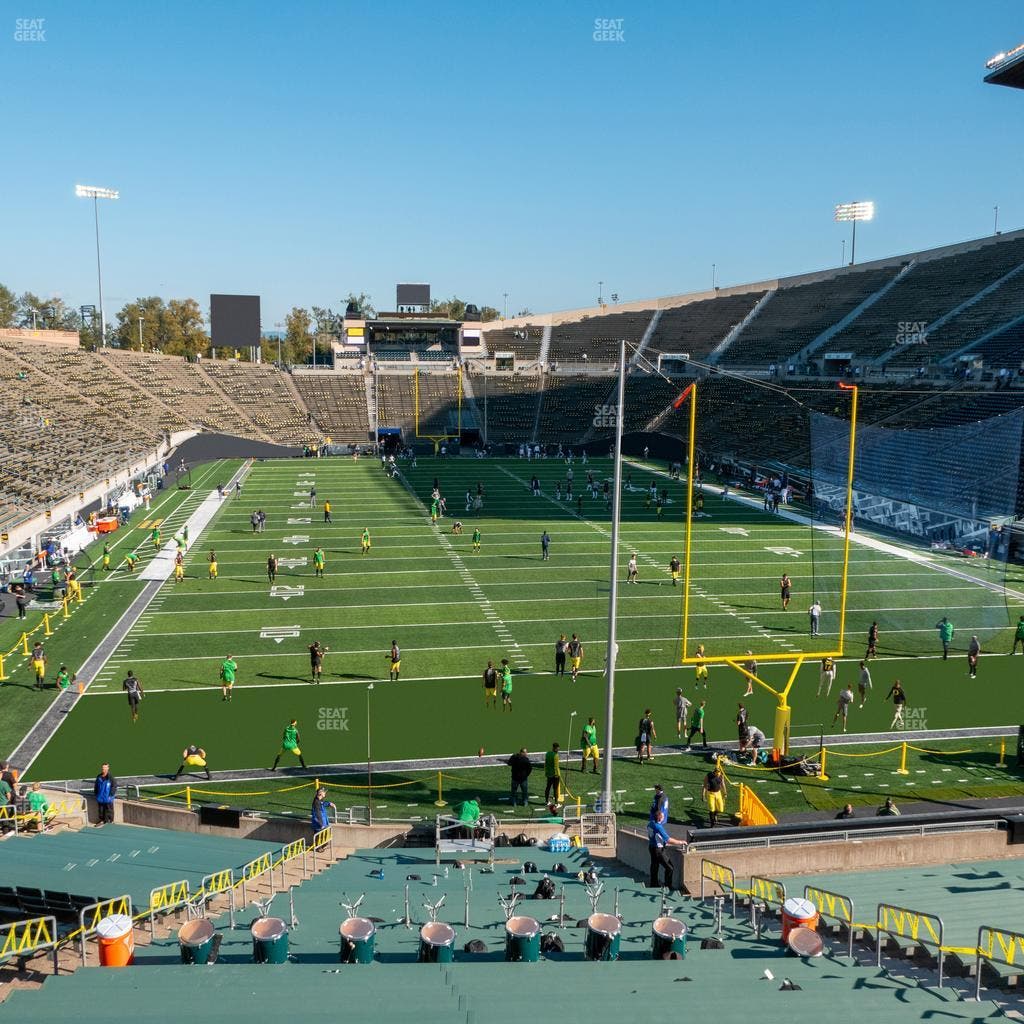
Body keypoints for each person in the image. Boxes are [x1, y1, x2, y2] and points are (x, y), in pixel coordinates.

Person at [648, 810, 684, 889]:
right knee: (670, 867)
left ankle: (653, 884)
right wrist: (681, 842)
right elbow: (668, 840)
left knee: (654, 866)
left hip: (651, 847)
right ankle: (668, 886)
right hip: (658, 850)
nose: (664, 817)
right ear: (660, 819)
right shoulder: (658, 827)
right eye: (663, 816)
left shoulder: (650, 823)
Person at [702, 762, 728, 828]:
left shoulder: (721, 776)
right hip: (711, 793)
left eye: (719, 773)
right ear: (714, 772)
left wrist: (725, 792)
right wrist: (703, 795)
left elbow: (723, 784)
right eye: (717, 773)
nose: (718, 775)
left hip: (718, 793)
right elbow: (704, 785)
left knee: (721, 809)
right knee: (712, 809)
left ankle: (715, 815)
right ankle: (712, 822)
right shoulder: (709, 775)